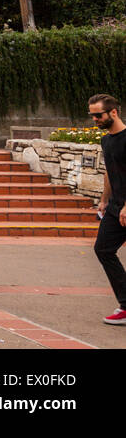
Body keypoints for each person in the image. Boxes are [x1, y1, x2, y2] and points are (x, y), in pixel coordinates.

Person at [92, 93, 126, 324]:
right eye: (92, 115)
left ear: (113, 112)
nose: (95, 119)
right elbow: (109, 171)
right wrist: (104, 200)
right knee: (103, 249)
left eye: (98, 115)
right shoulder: (106, 140)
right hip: (115, 207)